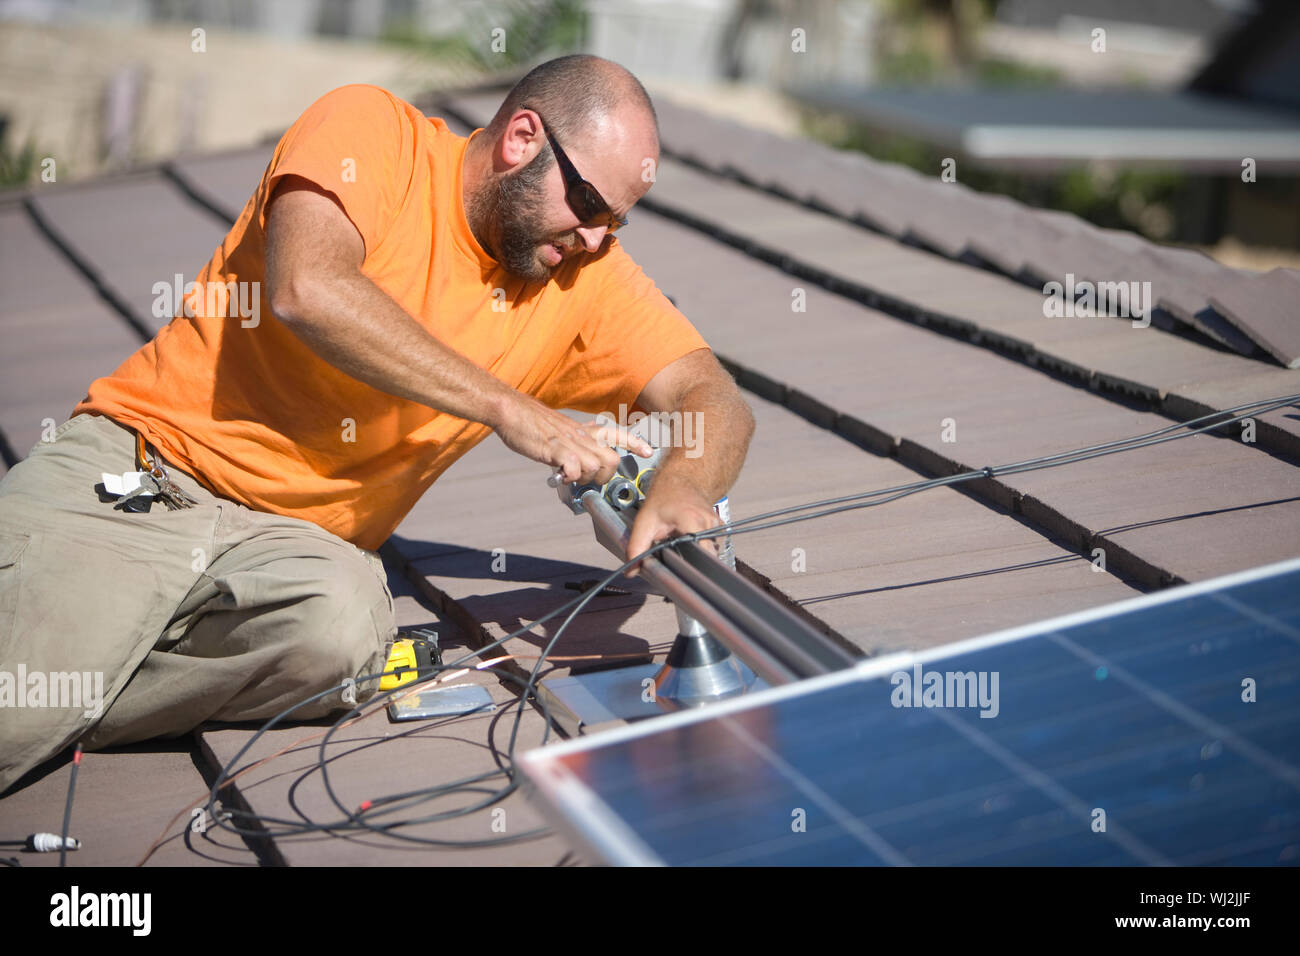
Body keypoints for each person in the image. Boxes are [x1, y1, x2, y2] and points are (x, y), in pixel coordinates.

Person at [0, 54, 754, 792]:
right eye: (589, 206)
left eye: (616, 224)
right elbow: (308, 288)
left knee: (342, 634)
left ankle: (78, 686)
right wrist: (510, 408)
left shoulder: (580, 273)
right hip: (148, 481)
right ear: (523, 138)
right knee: (14, 713)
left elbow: (713, 393)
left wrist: (686, 487)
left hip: (293, 555)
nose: (595, 240)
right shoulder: (372, 134)